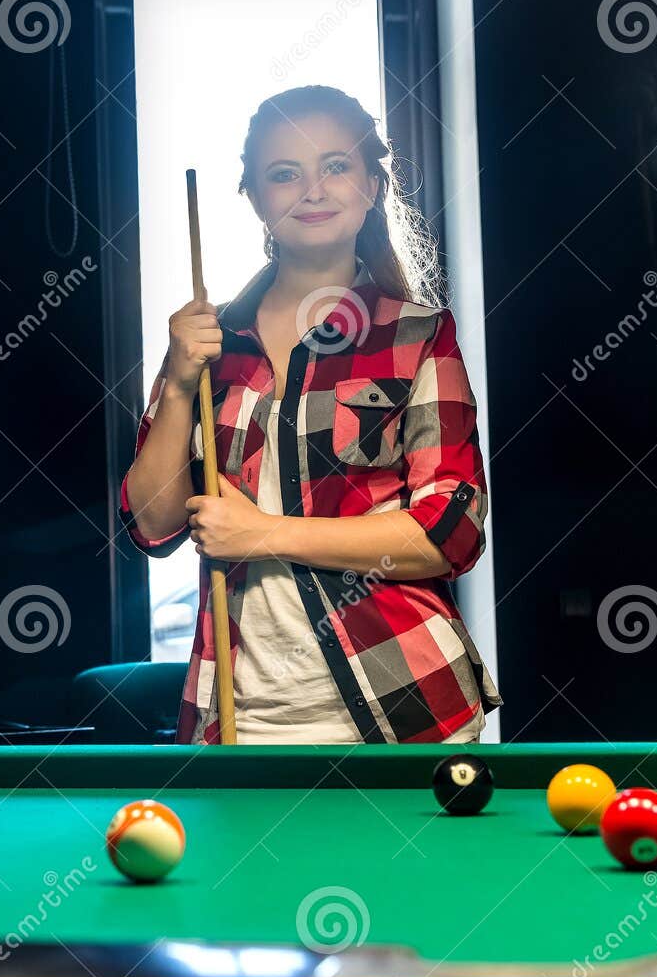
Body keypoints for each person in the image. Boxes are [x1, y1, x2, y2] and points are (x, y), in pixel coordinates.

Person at [120, 85, 499, 744]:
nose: (313, 190)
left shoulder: (418, 336)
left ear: (373, 186)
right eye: (284, 173)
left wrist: (263, 533)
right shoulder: (205, 343)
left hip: (407, 708)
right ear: (256, 197)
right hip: (238, 721)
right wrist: (179, 384)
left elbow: (452, 531)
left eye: (336, 165)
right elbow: (151, 526)